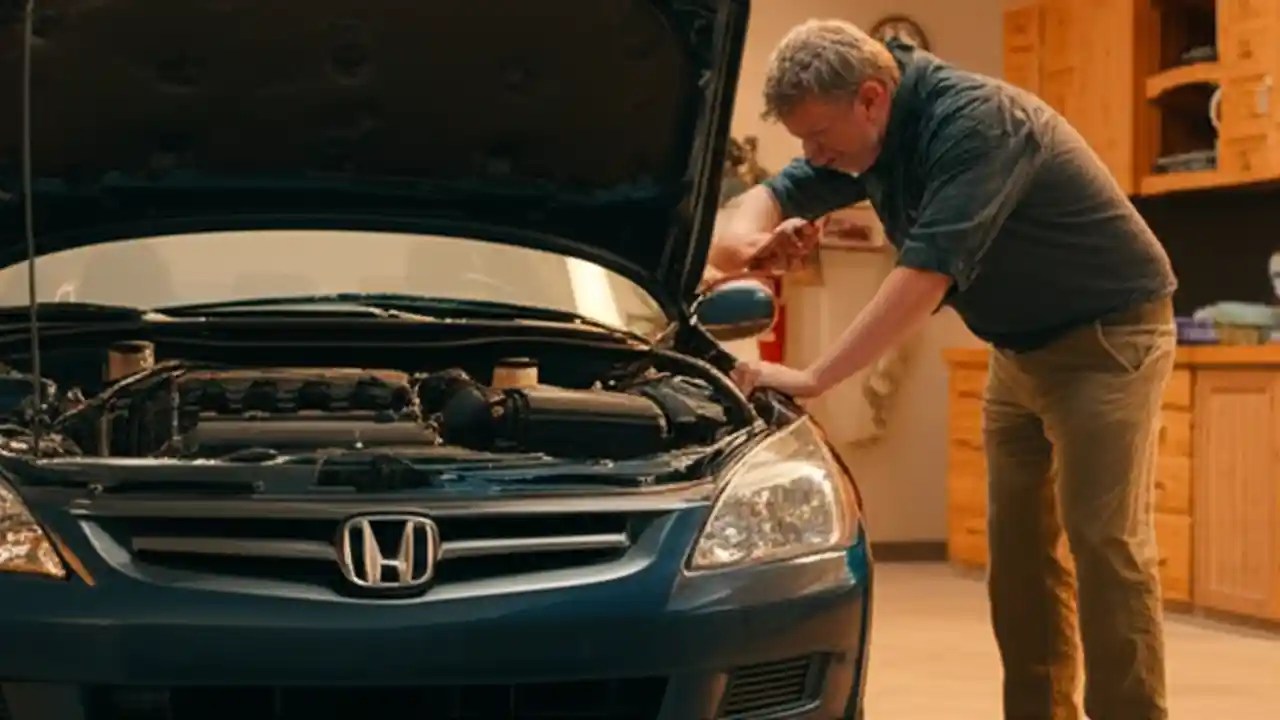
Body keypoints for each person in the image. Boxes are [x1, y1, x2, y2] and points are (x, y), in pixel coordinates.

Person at [711, 19, 1178, 720]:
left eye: (817, 138)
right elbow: (745, 215)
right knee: (1018, 560)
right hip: (1018, 350)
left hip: (1108, 341)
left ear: (871, 99)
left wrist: (813, 377)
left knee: (1103, 543)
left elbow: (922, 279)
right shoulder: (867, 136)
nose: (811, 154)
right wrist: (754, 245)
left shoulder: (979, 125)